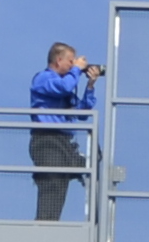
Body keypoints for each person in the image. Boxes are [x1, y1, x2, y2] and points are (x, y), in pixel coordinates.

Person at [26, 39, 100, 220]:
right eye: (70, 61)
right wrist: (77, 70)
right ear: (58, 60)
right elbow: (64, 87)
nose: (74, 65)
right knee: (53, 185)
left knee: (93, 164)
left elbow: (82, 113)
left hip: (64, 143)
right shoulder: (43, 79)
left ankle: (92, 218)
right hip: (47, 140)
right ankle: (44, 228)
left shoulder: (66, 85)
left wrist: (90, 85)